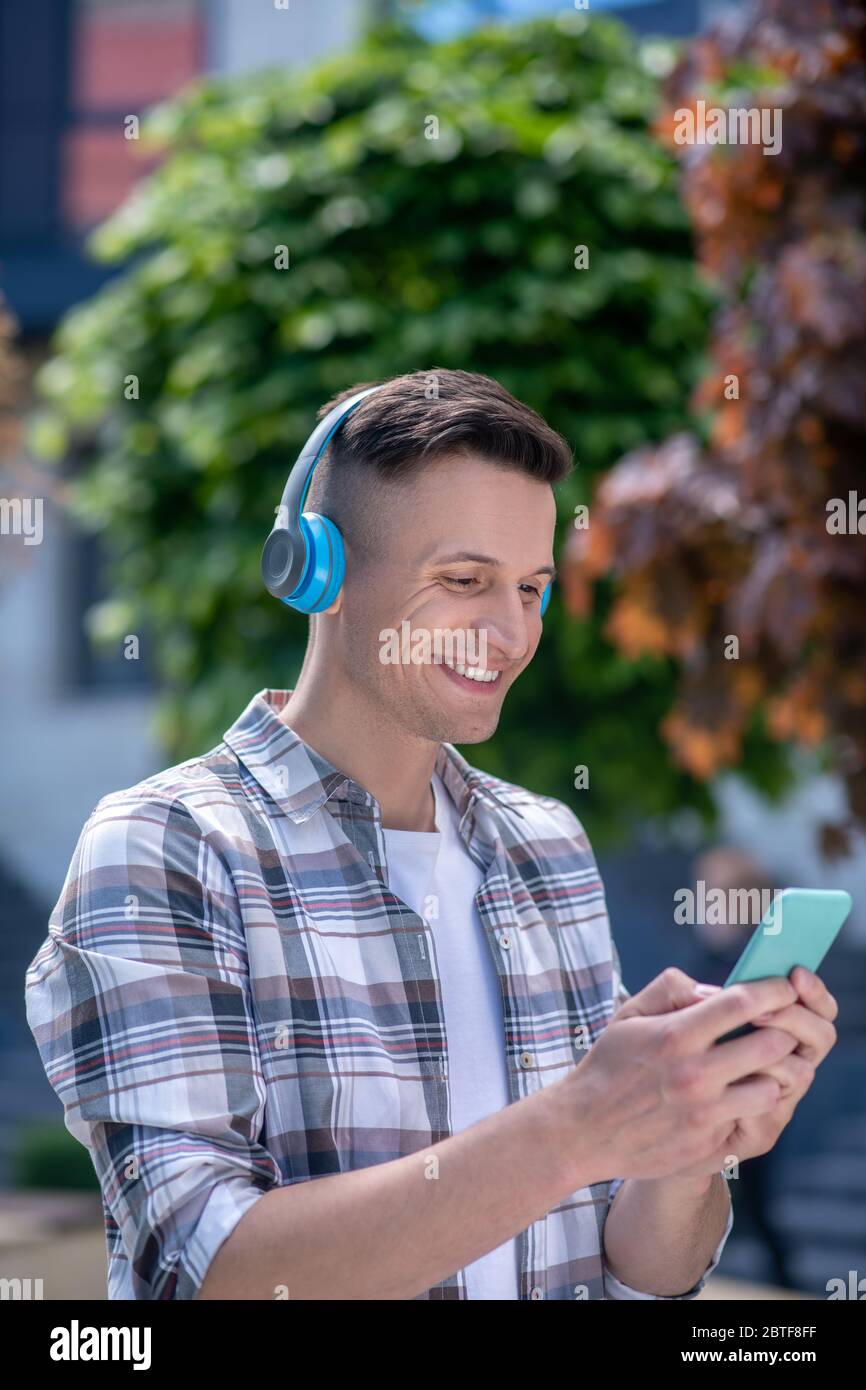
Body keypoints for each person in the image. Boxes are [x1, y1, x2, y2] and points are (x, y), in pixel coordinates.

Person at [25, 369, 838, 1300]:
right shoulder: (166, 848)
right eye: (463, 580)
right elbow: (206, 1273)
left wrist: (685, 1142)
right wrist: (575, 1126)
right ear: (317, 570)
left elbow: (641, 1270)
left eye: (531, 587)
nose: (510, 631)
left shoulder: (548, 846)